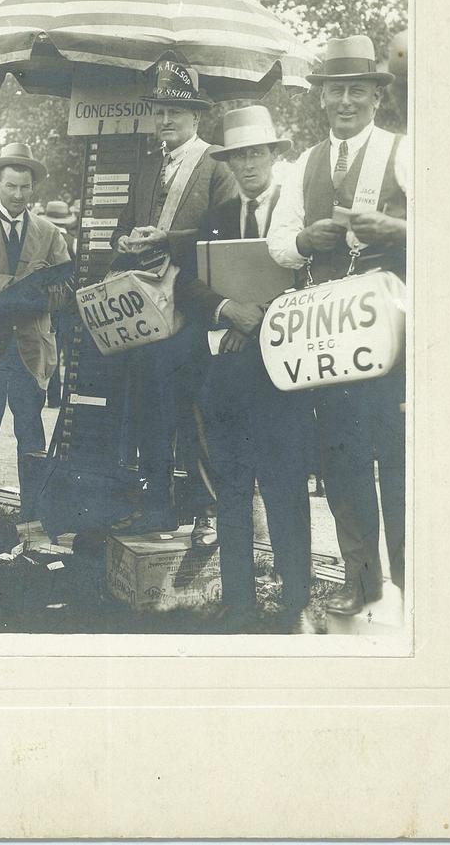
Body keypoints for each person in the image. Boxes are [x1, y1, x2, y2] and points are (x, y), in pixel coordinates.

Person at [268, 36, 408, 615]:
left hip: (393, 329)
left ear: (377, 97)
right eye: (335, 91)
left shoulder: (405, 152)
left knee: (398, 456)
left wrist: (393, 229)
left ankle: (413, 580)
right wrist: (305, 241)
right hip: (330, 333)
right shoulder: (303, 164)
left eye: (358, 90)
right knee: (342, 455)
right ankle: (362, 578)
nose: (345, 101)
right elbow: (278, 244)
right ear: (321, 99)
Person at [178, 105, 315, 632]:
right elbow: (189, 283)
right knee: (232, 488)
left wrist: (255, 321)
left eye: (257, 153)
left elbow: (310, 287)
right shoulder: (218, 216)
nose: (249, 165)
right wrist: (224, 310)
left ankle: (296, 598)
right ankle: (239, 601)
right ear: (229, 163)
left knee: (284, 488)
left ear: (273, 156)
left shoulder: (293, 214)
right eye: (239, 157)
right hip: (231, 377)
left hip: (281, 377)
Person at [110, 55, 238, 541]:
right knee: (150, 410)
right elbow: (125, 223)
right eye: (160, 111)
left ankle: (207, 512)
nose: (165, 120)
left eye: (176, 113)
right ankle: (157, 507)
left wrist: (169, 240)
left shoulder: (215, 164)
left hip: (192, 305)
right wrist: (124, 243)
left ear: (196, 117)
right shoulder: (149, 167)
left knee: (197, 413)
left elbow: (224, 233)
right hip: (146, 307)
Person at [0, 143, 71, 528]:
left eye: (25, 188)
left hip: (29, 349)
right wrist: (20, 288)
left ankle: (32, 521)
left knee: (31, 434)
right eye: (10, 187)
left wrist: (42, 295)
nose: (18, 195)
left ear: (32, 188)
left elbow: (65, 288)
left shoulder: (50, 233)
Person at [43, 200, 78, 409]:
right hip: (70, 301)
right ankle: (69, 397)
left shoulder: (42, 239)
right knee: (71, 348)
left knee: (51, 348)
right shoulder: (73, 241)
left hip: (49, 300)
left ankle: (53, 397)